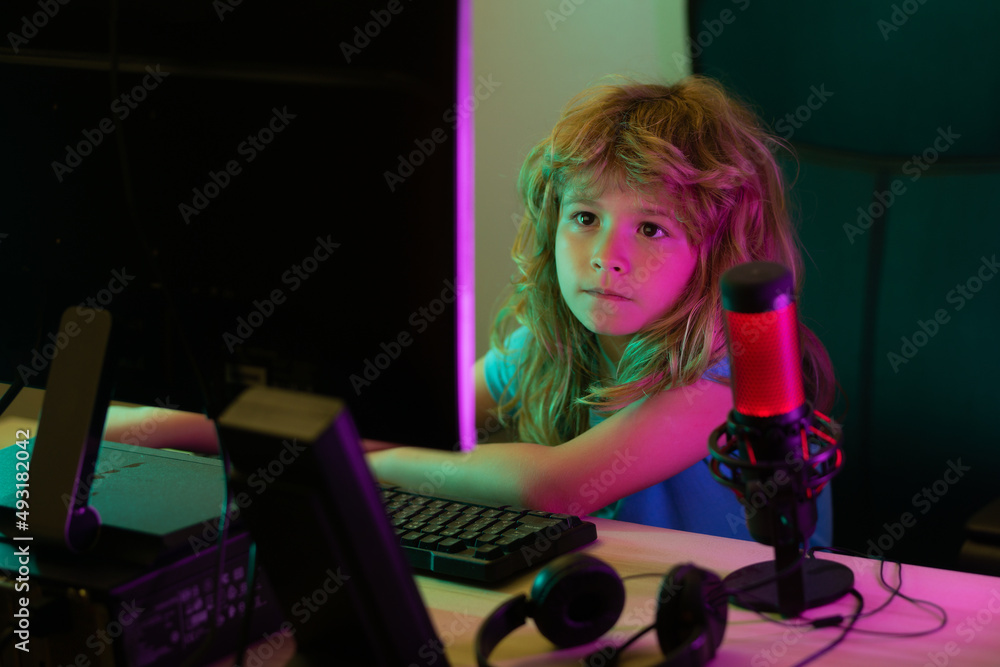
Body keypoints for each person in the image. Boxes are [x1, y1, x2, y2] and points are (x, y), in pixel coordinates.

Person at [367, 75, 836, 546]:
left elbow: (552, 487)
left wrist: (378, 464)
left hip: (746, 591)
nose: (606, 256)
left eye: (651, 229)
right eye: (586, 218)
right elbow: (420, 421)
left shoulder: (729, 380)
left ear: (716, 257)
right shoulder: (542, 345)